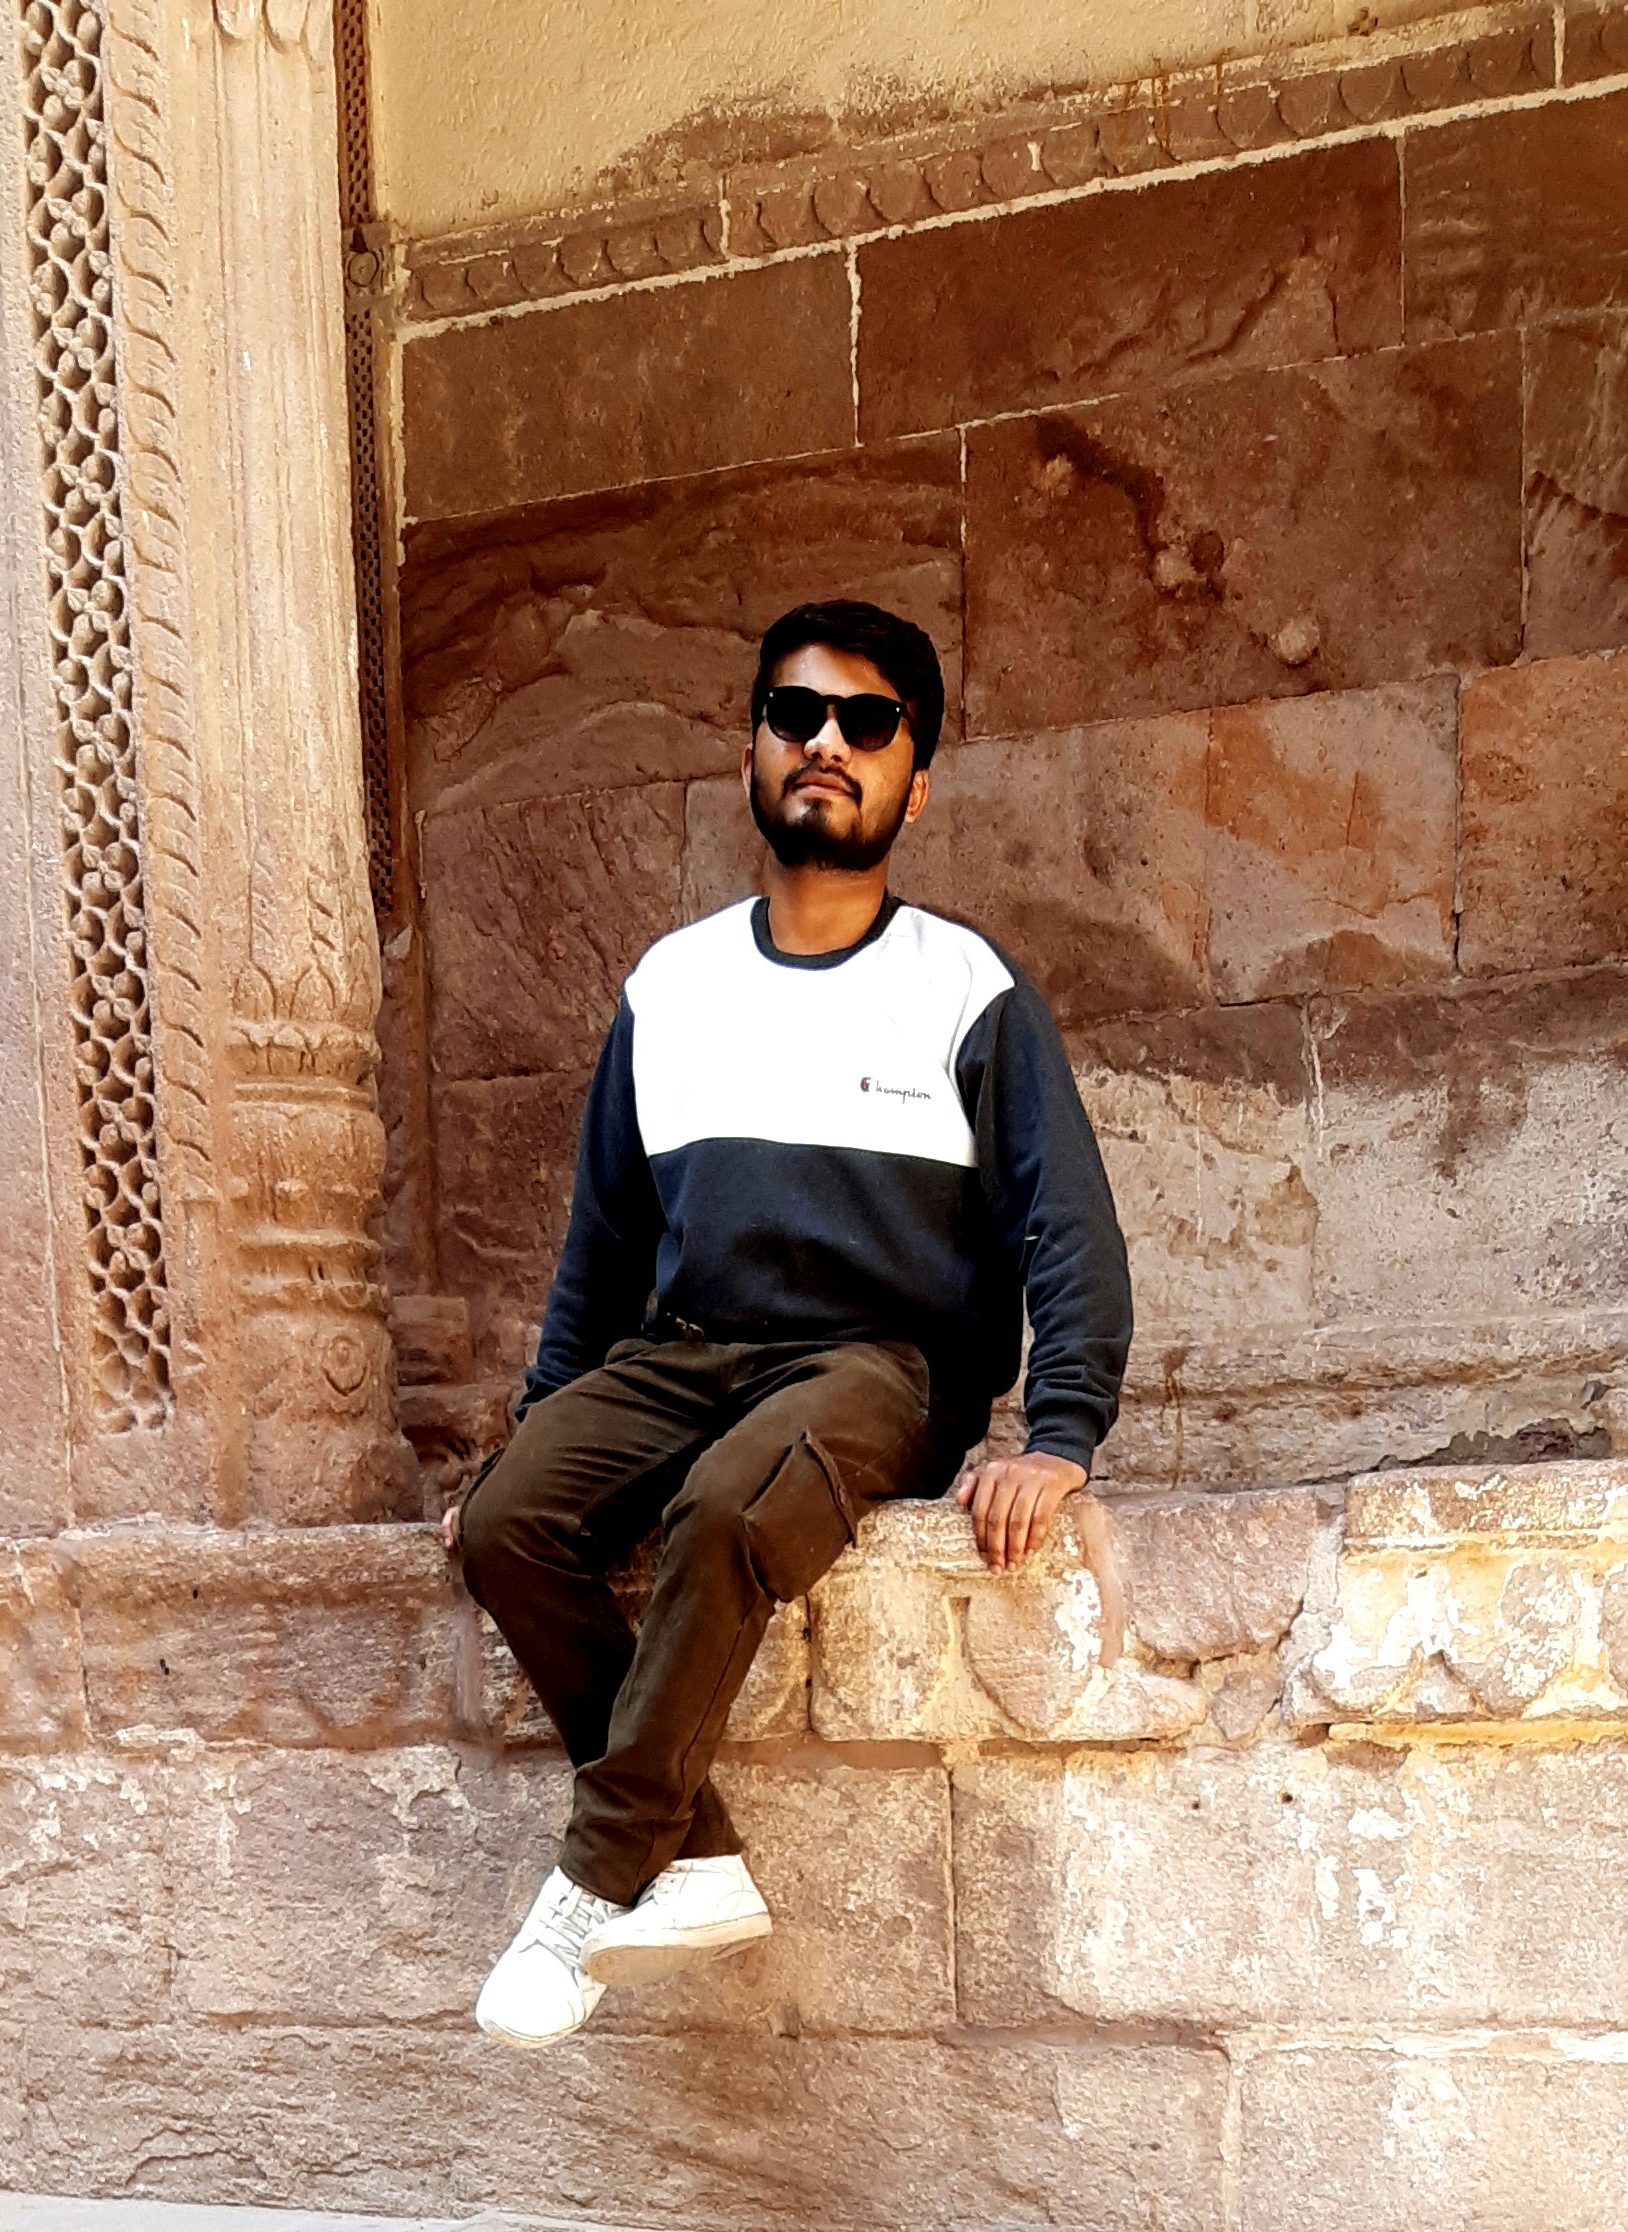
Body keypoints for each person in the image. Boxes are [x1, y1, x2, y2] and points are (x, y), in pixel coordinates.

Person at [445, 599, 1133, 2048]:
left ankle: (586, 1889)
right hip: (683, 1354)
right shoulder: (671, 985)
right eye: (796, 715)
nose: (827, 742)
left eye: (867, 723)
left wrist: (1056, 1434)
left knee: (724, 1512)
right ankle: (691, 1857)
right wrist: (541, 1432)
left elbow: (1065, 1220)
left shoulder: (968, 989)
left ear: (913, 779)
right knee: (508, 1519)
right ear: (751, 749)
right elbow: (602, 1245)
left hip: (877, 1368)